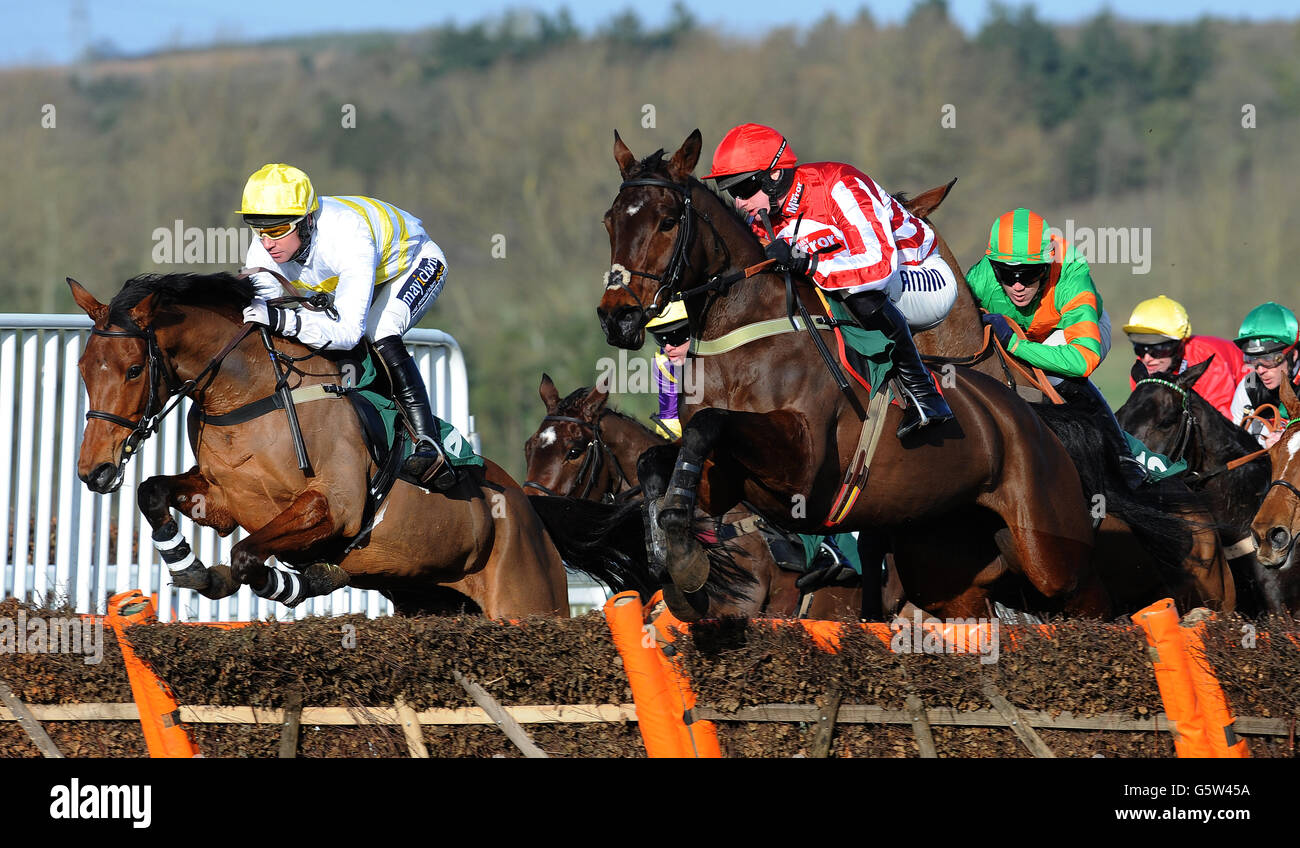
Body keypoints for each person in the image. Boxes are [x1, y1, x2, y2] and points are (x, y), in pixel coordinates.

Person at [703, 123, 954, 438]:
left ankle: (925, 395)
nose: (739, 203)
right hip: (875, 283)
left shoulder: (840, 185)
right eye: (731, 192)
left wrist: (807, 262)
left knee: (856, 289)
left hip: (921, 276)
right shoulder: (762, 218)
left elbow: (878, 268)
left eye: (743, 189)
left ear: (774, 176)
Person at [235, 163, 457, 490]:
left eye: (279, 229)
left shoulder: (347, 233)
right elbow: (260, 316)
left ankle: (428, 443)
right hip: (351, 280)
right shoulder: (264, 249)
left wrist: (282, 318)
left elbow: (348, 331)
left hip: (413, 265)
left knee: (379, 331)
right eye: (259, 228)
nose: (267, 243)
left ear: (308, 220)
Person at [965, 207, 1146, 487]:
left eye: (1029, 274)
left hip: (1076, 333)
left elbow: (1083, 359)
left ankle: (1123, 456)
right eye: (1006, 273)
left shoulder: (1072, 274)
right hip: (1027, 335)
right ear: (993, 265)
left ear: (1047, 265)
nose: (1017, 285)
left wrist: (1015, 344)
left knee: (1055, 371)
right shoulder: (979, 279)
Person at [1123, 295, 1244, 420]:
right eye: (1140, 348)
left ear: (1179, 344)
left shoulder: (1207, 361)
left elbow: (1222, 421)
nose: (1147, 358)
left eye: (1157, 349)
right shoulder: (1142, 368)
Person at [1230, 302, 1300, 448]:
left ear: (1293, 355)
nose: (1260, 370)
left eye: (1269, 359)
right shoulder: (1249, 385)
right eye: (1253, 360)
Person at [646, 301, 690, 440]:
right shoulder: (663, 361)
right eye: (661, 339)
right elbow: (670, 420)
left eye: (675, 337)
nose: (668, 347)